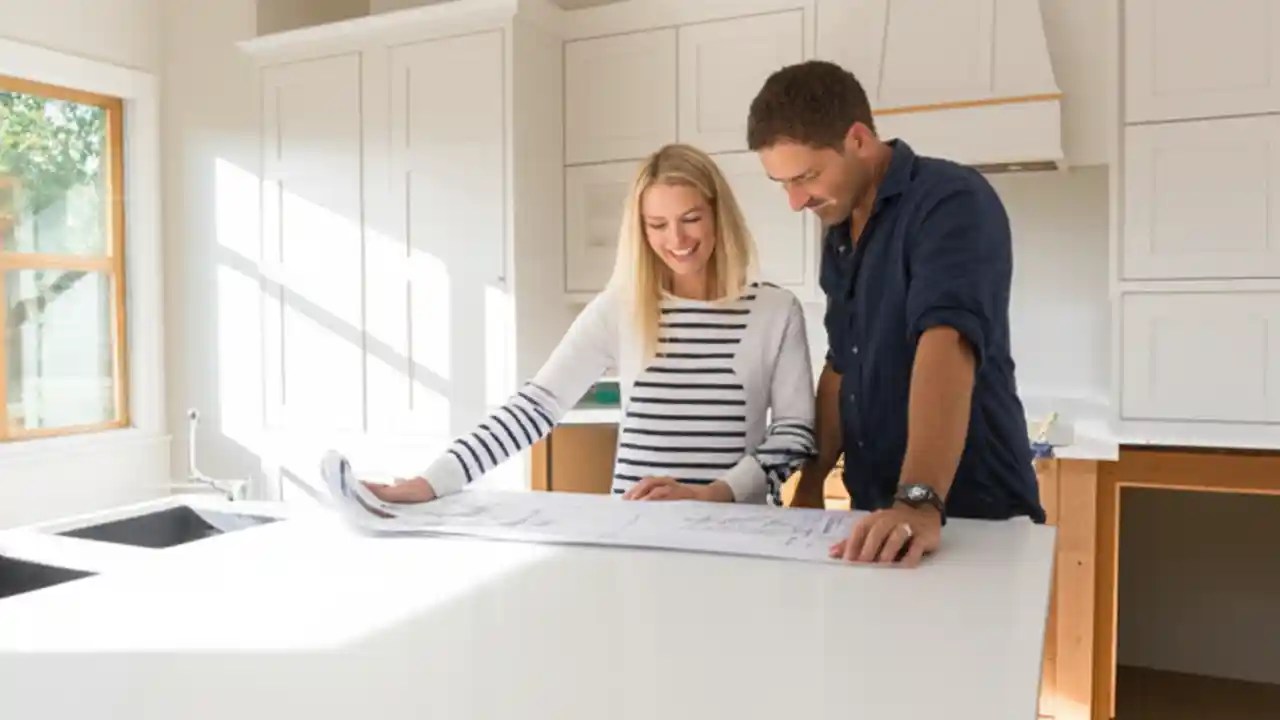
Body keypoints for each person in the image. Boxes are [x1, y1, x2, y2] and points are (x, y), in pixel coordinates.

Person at [362, 143, 817, 507]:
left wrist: (713, 493)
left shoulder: (775, 311)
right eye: (657, 224)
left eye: (691, 219)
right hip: (634, 528)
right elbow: (534, 407)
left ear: (719, 215)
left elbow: (793, 434)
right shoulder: (622, 307)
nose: (676, 239)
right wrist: (431, 482)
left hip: (733, 530)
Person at [746, 60, 1045, 566]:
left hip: (973, 517)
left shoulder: (949, 201)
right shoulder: (840, 233)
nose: (795, 201)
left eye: (807, 176)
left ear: (858, 139)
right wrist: (812, 483)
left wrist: (919, 500)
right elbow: (841, 368)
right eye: (783, 184)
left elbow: (947, 342)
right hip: (879, 516)